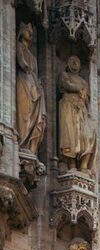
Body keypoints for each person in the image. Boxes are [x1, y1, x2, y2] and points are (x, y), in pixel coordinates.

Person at [58, 56, 97, 173]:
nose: (75, 63)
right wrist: (79, 89)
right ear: (68, 64)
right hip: (68, 107)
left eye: (78, 61)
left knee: (87, 136)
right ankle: (71, 164)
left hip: (81, 110)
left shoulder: (84, 81)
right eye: (72, 61)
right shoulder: (64, 75)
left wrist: (84, 96)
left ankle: (84, 166)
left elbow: (87, 98)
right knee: (70, 136)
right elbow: (65, 84)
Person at [16, 22, 46, 155]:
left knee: (36, 117)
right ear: (21, 31)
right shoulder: (18, 46)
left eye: (31, 31)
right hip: (23, 83)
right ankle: (22, 142)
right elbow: (22, 63)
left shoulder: (33, 57)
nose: (30, 33)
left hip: (34, 88)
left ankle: (31, 147)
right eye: (27, 30)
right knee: (24, 114)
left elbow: (34, 71)